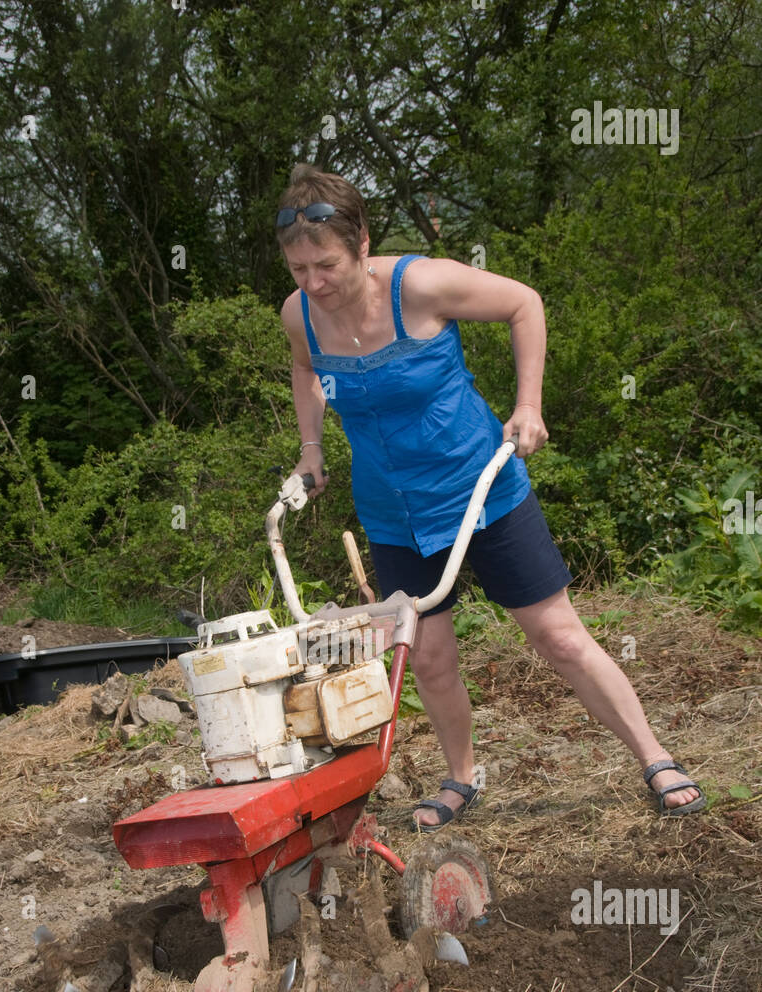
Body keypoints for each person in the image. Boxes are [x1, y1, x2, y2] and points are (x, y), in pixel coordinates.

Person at [276, 165, 705, 829]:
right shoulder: (299, 314)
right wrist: (311, 450)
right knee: (430, 658)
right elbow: (306, 367)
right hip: (395, 514)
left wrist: (527, 406)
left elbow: (522, 302)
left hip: (482, 488)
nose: (313, 284)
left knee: (558, 638)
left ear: (361, 242)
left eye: (325, 265)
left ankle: (653, 756)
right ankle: (459, 777)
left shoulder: (418, 286)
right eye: (298, 269)